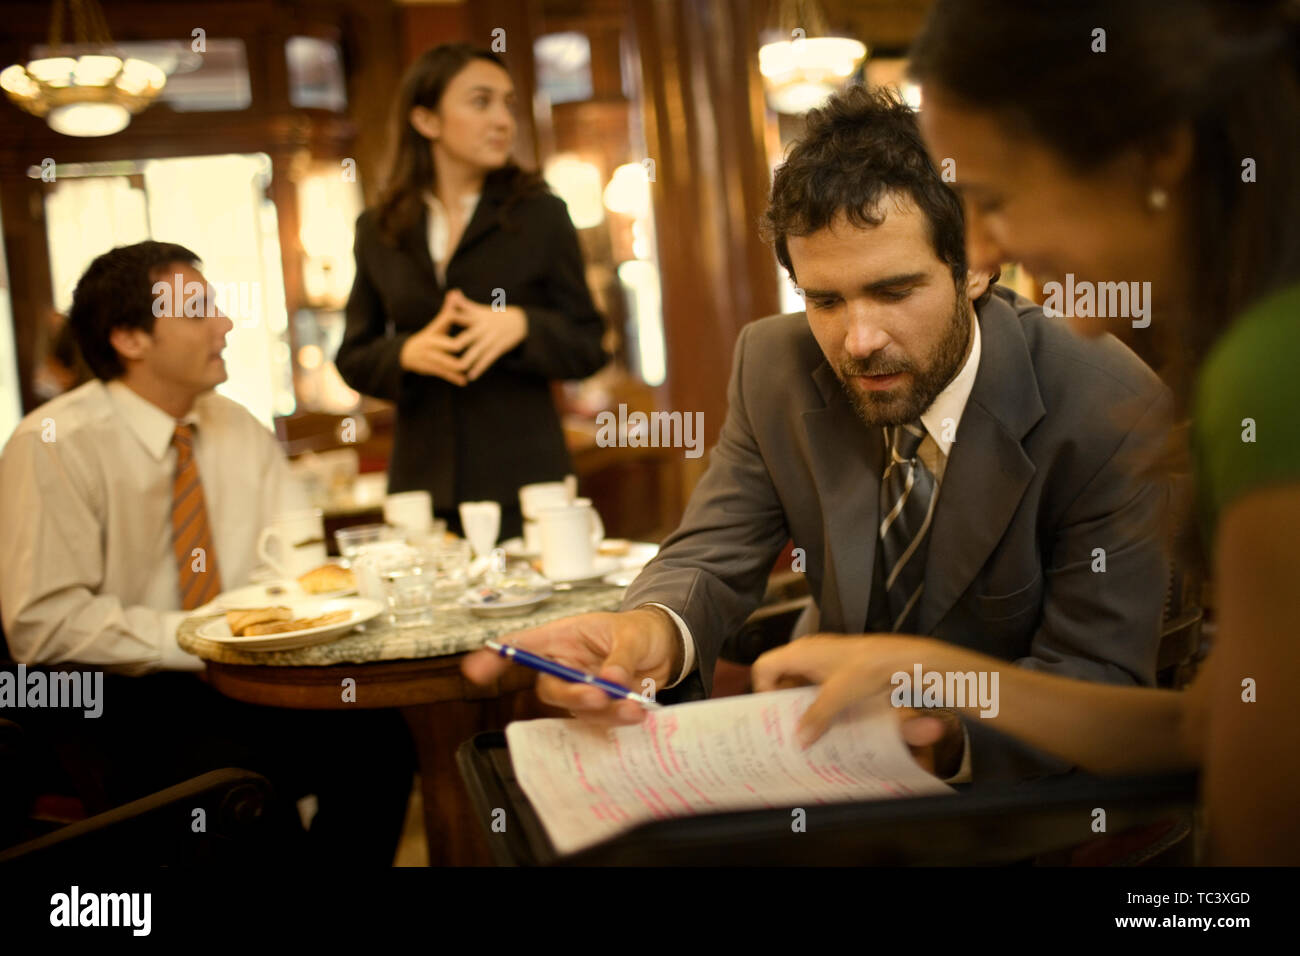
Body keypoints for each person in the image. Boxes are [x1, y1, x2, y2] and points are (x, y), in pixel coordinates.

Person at [464, 86, 1178, 782]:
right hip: (820, 744)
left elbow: (1098, 673)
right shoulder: (773, 364)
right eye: (824, 299)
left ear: (977, 268)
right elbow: (711, 557)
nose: (859, 340)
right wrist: (646, 634)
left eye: (894, 291)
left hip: (1002, 794)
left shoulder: (1109, 410)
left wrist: (942, 733)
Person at [751, 0, 1300, 864]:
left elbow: (1264, 806)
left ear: (1155, 154)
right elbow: (1210, 725)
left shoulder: (1269, 368)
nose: (987, 249)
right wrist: (925, 674)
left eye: (995, 200)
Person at [0, 241, 413, 863]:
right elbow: (42, 626)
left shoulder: (236, 425)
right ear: (130, 339)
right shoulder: (54, 443)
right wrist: (201, 638)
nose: (224, 323)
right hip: (121, 695)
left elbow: (294, 563)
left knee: (379, 741)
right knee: (236, 788)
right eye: (197, 311)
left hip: (245, 678)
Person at [337, 43, 607, 540]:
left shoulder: (542, 216)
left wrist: (523, 325)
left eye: (507, 103)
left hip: (527, 488)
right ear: (426, 119)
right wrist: (407, 352)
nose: (503, 120)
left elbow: (588, 344)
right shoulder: (378, 229)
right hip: (421, 493)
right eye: (481, 102)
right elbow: (352, 357)